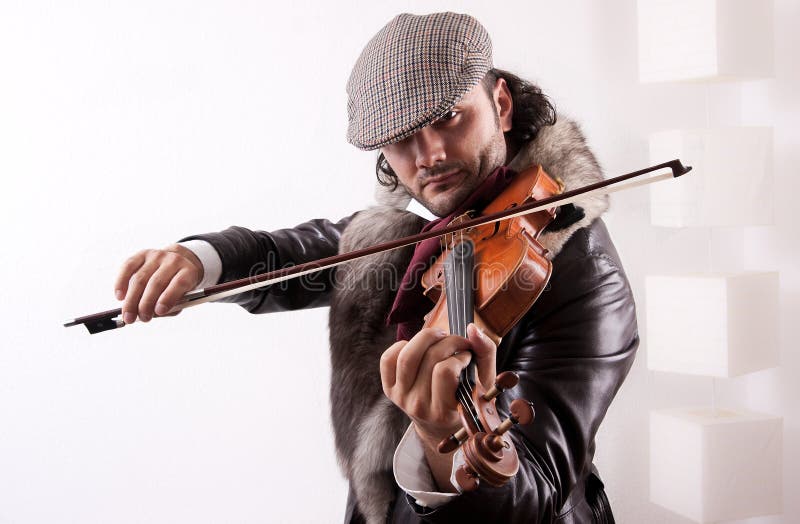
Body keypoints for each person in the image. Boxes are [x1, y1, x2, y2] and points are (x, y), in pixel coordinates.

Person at [114, 12, 637, 524]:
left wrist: (443, 439)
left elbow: (536, 495)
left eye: (449, 117)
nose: (429, 155)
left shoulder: (584, 274)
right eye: (403, 136)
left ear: (500, 104)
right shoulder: (430, 232)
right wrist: (197, 260)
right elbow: (302, 250)